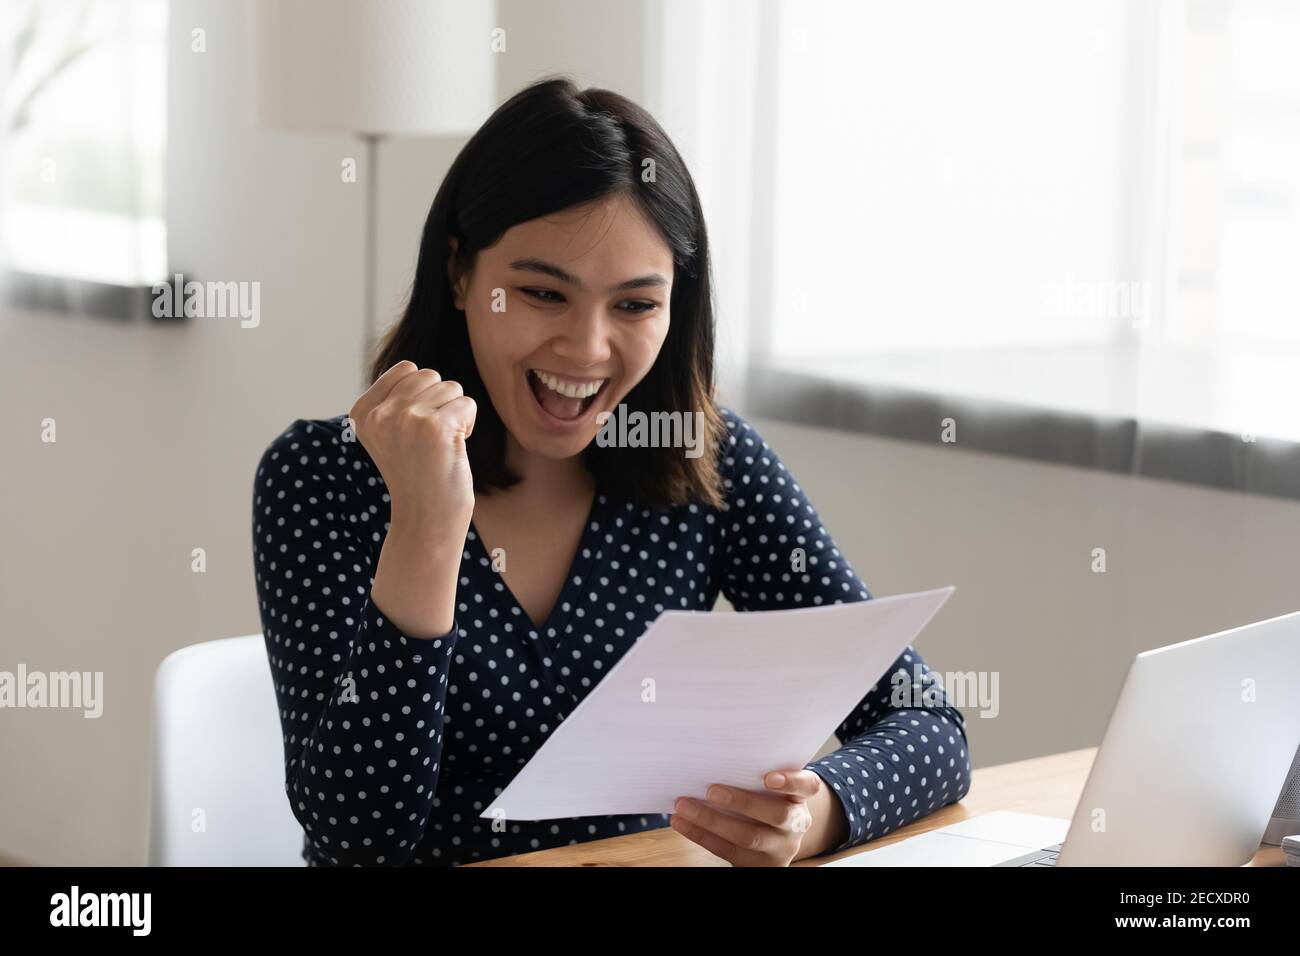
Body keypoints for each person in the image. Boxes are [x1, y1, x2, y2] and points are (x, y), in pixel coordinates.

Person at [252, 76, 970, 867]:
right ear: (461, 273)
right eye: (540, 293)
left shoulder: (703, 462)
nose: (587, 349)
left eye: (634, 306)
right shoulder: (322, 477)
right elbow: (361, 838)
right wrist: (427, 522)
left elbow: (926, 722)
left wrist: (818, 812)